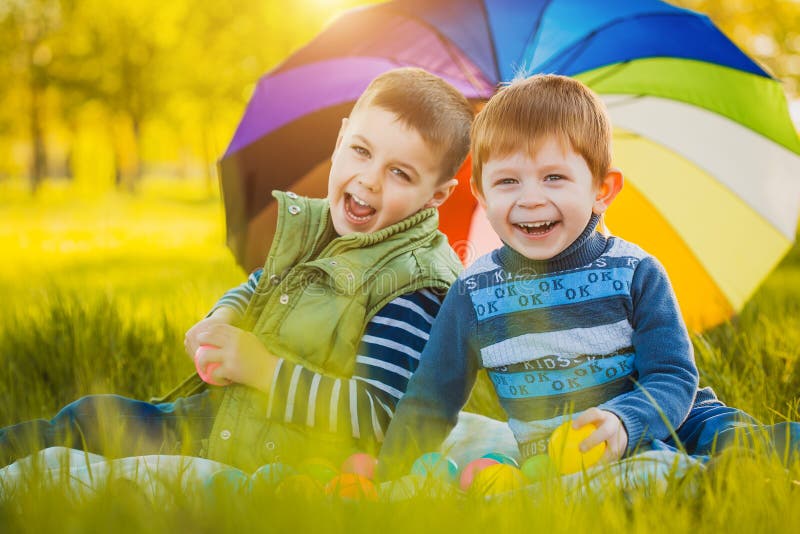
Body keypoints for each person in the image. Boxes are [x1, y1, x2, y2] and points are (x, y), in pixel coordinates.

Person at [0, 67, 473, 472]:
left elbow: (374, 417)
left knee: (94, 427)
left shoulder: (412, 285)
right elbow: (260, 286)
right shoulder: (322, 229)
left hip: (282, 456)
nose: (369, 179)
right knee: (92, 417)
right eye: (361, 151)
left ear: (437, 195)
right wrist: (223, 318)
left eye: (400, 173)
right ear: (341, 136)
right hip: (231, 419)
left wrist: (261, 368)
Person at [377, 74, 704, 478]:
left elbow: (672, 375)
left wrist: (623, 422)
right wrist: (384, 477)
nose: (530, 199)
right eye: (508, 181)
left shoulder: (635, 274)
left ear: (602, 190)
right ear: (481, 193)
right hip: (557, 465)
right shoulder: (475, 294)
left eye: (554, 177)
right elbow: (431, 398)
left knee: (737, 441)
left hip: (669, 427)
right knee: (612, 483)